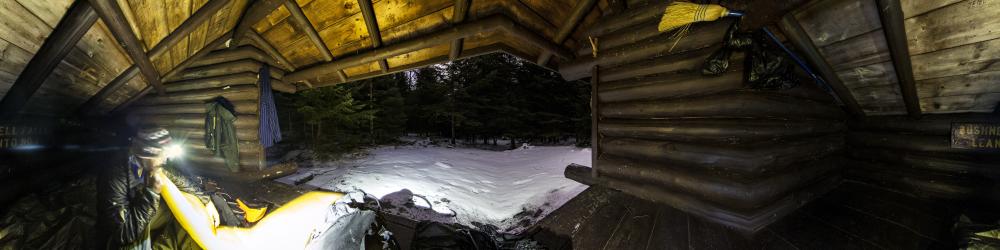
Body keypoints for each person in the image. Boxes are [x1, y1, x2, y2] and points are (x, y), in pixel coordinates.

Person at [96, 128, 219, 249]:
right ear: (145, 155)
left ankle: (164, 243)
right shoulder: (116, 177)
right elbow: (123, 235)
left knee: (184, 208)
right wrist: (152, 193)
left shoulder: (153, 164)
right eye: (162, 156)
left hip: (144, 210)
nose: (165, 160)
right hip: (127, 229)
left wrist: (206, 200)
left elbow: (178, 179)